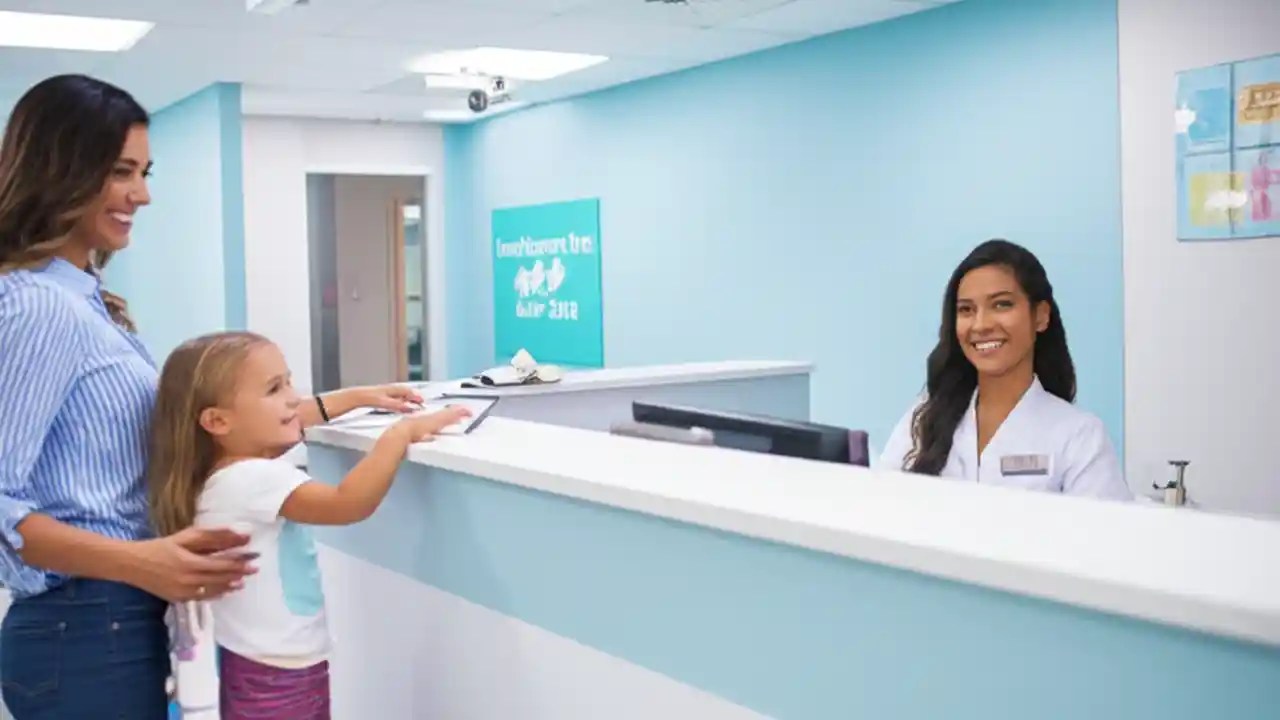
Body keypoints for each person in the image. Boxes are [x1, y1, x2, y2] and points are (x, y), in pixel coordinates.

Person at [0, 74, 424, 719]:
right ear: (63, 170)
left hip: (113, 619)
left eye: (144, 171)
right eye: (121, 172)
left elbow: (193, 431)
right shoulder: (37, 307)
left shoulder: (85, 302)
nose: (142, 195)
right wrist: (141, 561)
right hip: (82, 626)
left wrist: (340, 403)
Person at [148, 331, 471, 719]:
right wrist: (400, 436)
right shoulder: (253, 479)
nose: (291, 396)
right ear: (217, 421)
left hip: (257, 664)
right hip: (281, 676)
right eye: (273, 389)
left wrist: (359, 397)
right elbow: (348, 503)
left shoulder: (221, 473)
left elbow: (295, 415)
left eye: (288, 381)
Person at [877, 239, 1131, 500]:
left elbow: (1105, 536)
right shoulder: (922, 420)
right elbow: (880, 507)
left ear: (1041, 316)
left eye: (1001, 305)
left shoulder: (1080, 437)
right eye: (966, 310)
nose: (981, 324)